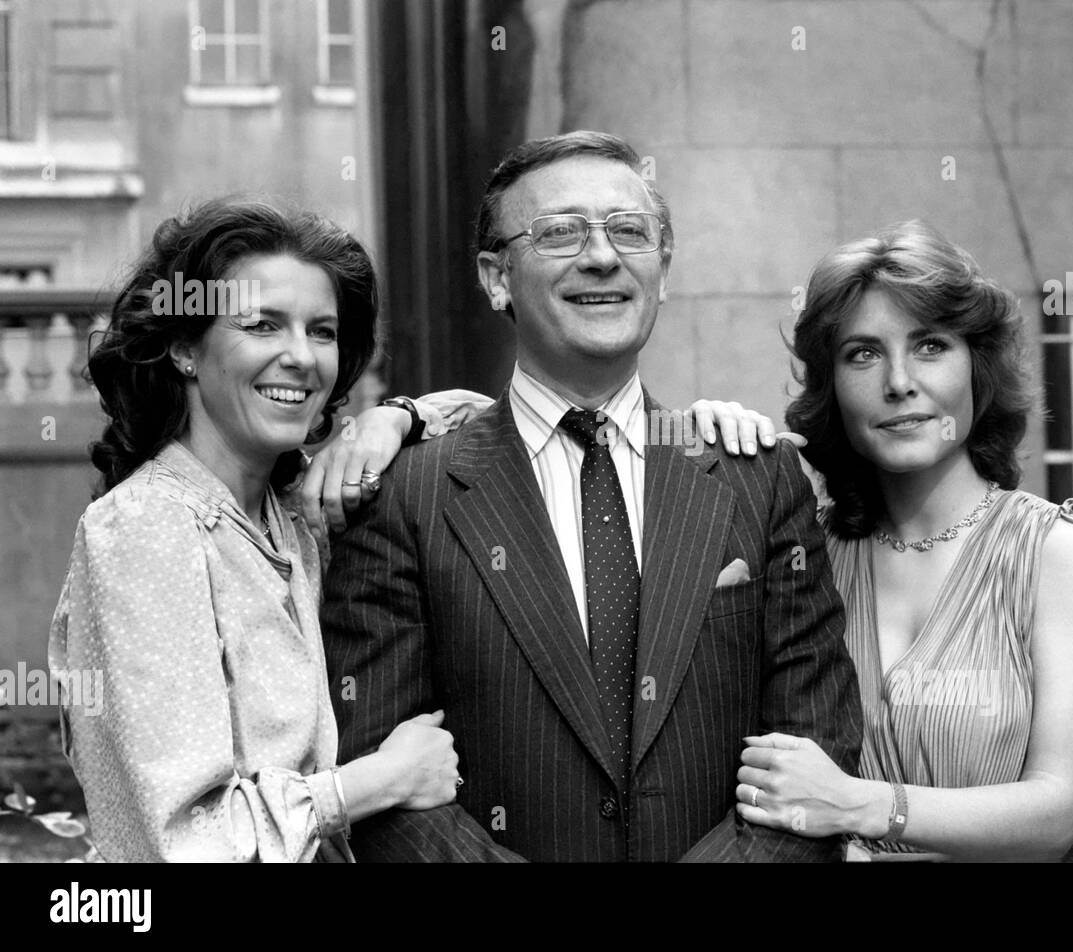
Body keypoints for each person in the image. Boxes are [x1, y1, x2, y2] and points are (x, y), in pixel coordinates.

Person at [319, 131, 863, 862]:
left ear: (663, 270)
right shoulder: (405, 496)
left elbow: (813, 752)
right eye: (561, 232)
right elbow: (384, 786)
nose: (602, 256)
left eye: (629, 232)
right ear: (496, 278)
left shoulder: (756, 478)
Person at [48, 199, 461, 862]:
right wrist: (379, 782)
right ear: (184, 346)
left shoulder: (293, 513)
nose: (300, 356)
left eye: (321, 332)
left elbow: (500, 422)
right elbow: (184, 843)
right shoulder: (146, 530)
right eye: (263, 325)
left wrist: (396, 419)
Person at [726, 221, 1073, 861]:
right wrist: (695, 451)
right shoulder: (808, 555)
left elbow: (1059, 807)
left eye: (931, 345)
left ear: (979, 367)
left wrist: (860, 804)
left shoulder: (1057, 555)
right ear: (831, 386)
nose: (898, 382)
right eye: (862, 353)